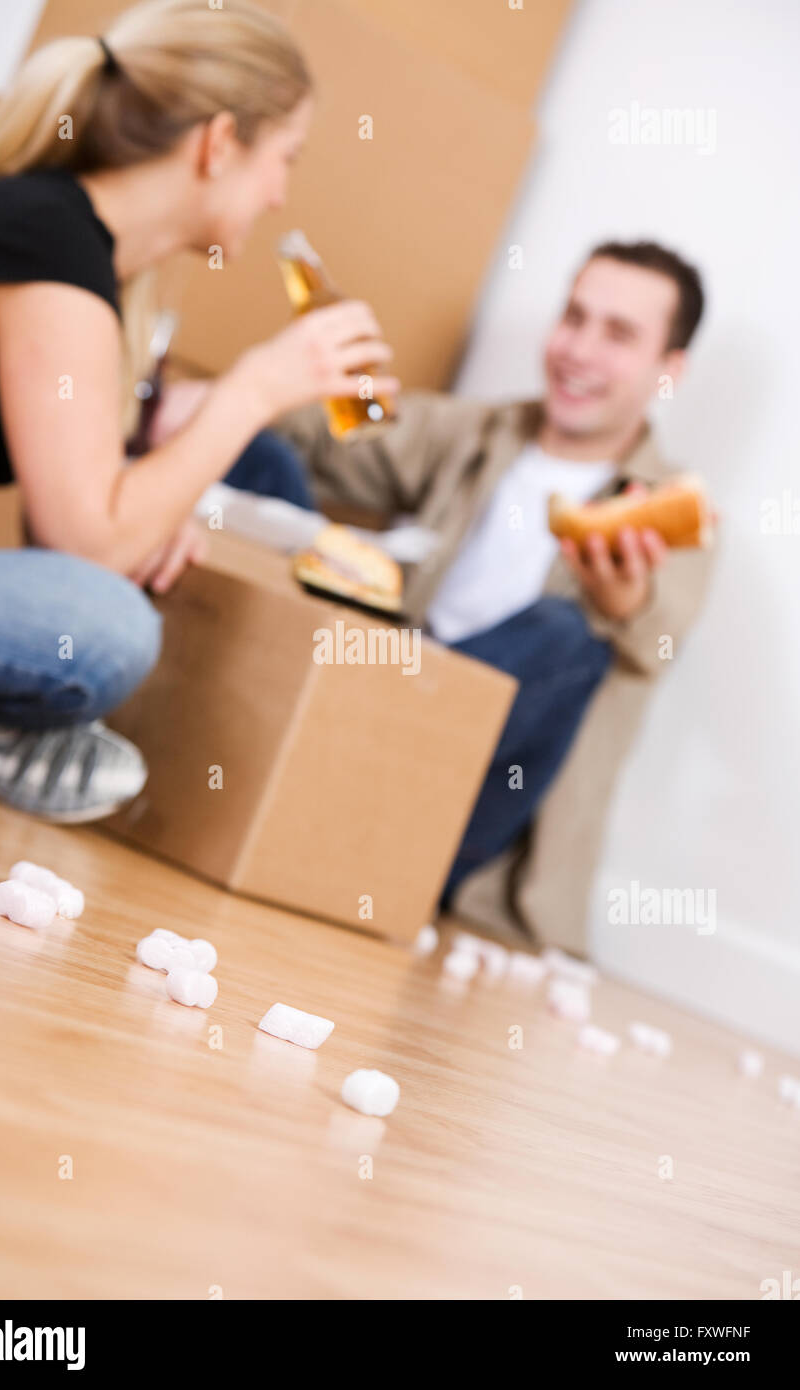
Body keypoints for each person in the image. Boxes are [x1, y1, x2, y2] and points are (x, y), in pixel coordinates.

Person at [0, 0, 396, 820]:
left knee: (94, 606)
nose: (281, 197)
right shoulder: (48, 242)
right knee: (104, 625)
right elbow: (87, 546)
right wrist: (251, 391)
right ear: (220, 144)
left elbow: (70, 532)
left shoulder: (73, 247)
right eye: (283, 158)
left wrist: (148, 510)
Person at [254, 241, 715, 948]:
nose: (579, 351)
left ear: (668, 372)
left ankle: (332, 797)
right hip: (384, 701)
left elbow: (660, 635)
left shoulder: (670, 512)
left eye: (619, 335)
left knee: (565, 637)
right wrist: (243, 398)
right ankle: (303, 773)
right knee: (262, 459)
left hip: (460, 816)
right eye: (574, 317)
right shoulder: (480, 432)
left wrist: (623, 604)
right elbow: (324, 433)